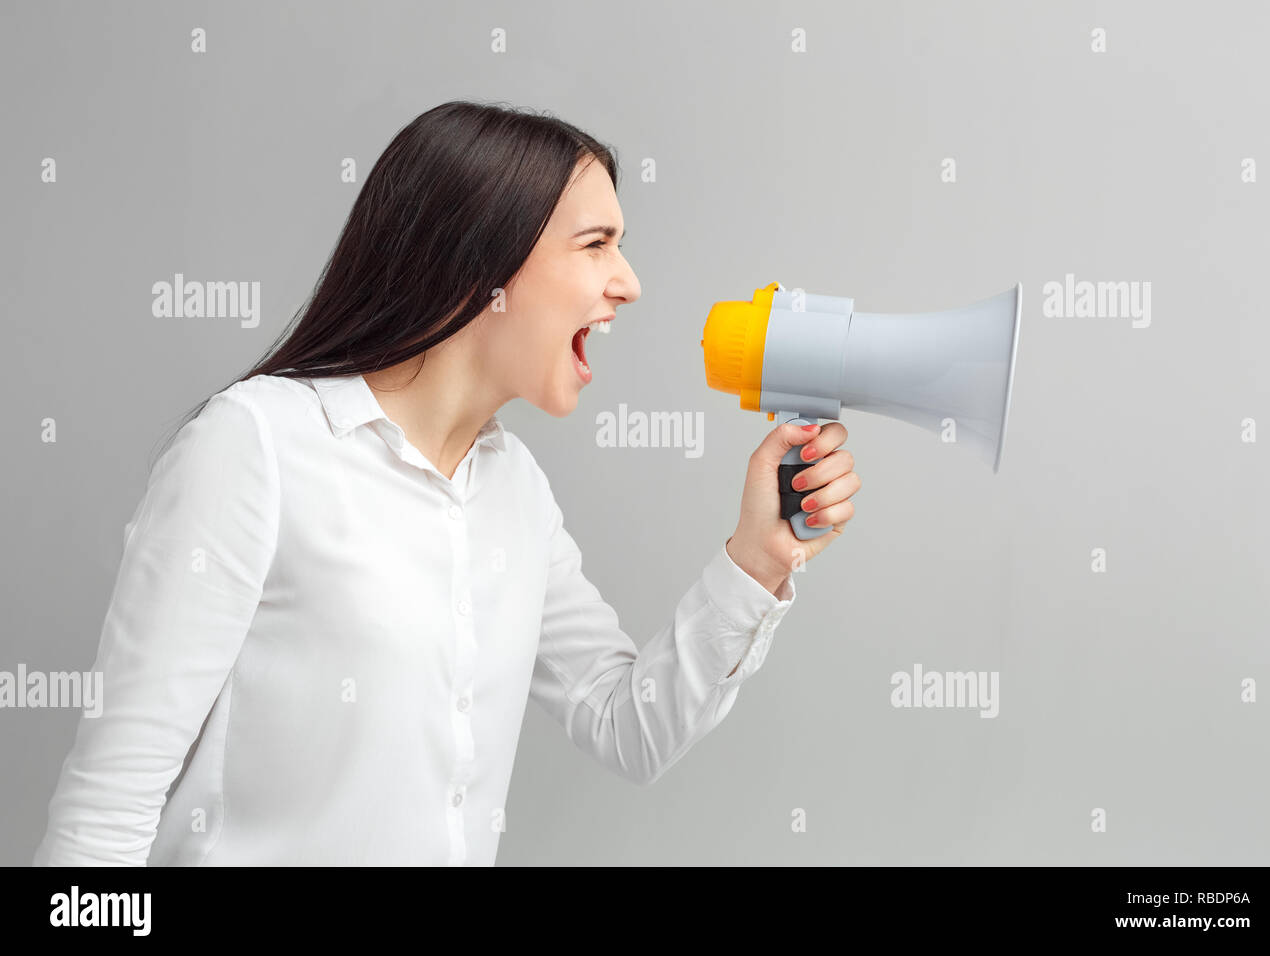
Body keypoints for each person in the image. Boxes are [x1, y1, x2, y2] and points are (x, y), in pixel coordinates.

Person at [32, 101, 859, 866]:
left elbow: (626, 726)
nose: (629, 283)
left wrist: (758, 559)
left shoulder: (517, 490)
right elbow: (105, 810)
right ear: (482, 262)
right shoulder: (256, 447)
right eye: (596, 244)